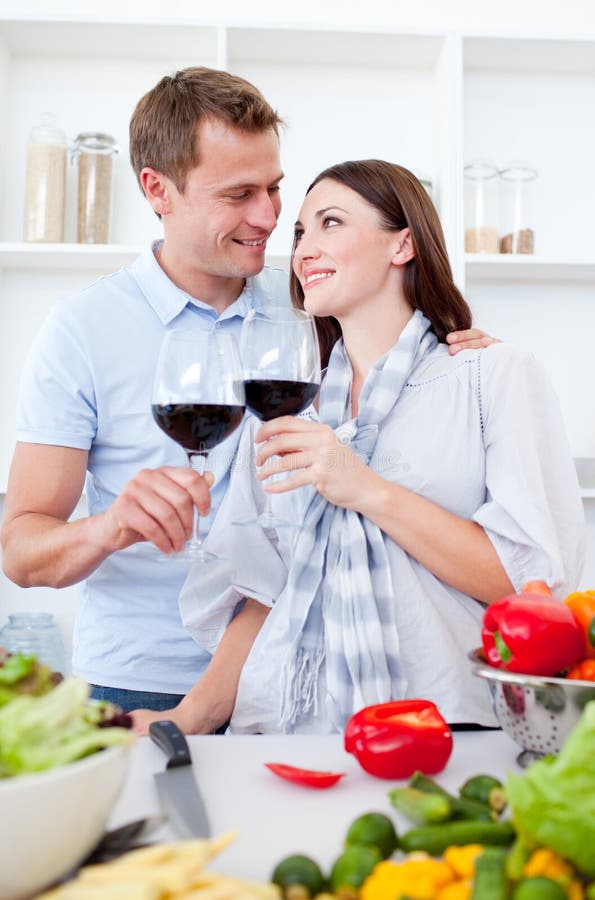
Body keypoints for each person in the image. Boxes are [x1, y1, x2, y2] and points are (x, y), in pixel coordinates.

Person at [0, 67, 492, 713]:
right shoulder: (83, 330)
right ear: (158, 190)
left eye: (273, 188)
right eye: (238, 194)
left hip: (296, 670)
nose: (267, 217)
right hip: (139, 677)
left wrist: (457, 348)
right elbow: (22, 551)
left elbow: (400, 393)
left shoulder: (312, 301)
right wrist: (111, 527)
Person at [131, 160, 585, 735]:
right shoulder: (286, 410)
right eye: (299, 234)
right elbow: (266, 589)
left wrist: (364, 487)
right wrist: (188, 718)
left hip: (447, 729)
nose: (303, 251)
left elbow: (530, 585)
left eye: (330, 223)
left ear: (403, 244)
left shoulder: (491, 377)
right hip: (286, 727)